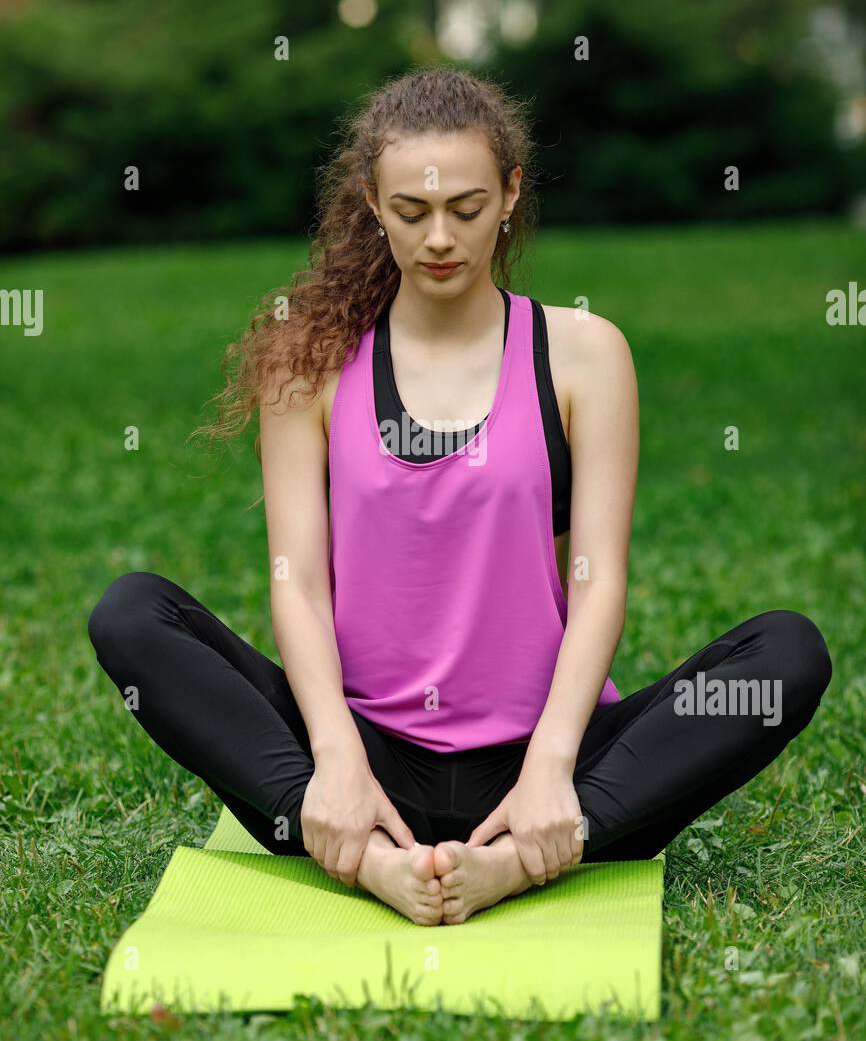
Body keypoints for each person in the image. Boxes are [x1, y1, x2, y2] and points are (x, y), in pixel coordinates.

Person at [88, 66, 832, 927]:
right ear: (372, 201)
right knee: (132, 612)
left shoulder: (585, 354)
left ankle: (518, 859)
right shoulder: (310, 364)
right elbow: (298, 582)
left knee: (789, 651)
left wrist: (552, 768)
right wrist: (334, 763)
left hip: (552, 762)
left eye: (467, 208)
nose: (439, 237)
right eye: (411, 212)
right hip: (363, 759)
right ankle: (365, 854)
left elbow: (598, 579)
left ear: (512, 194)